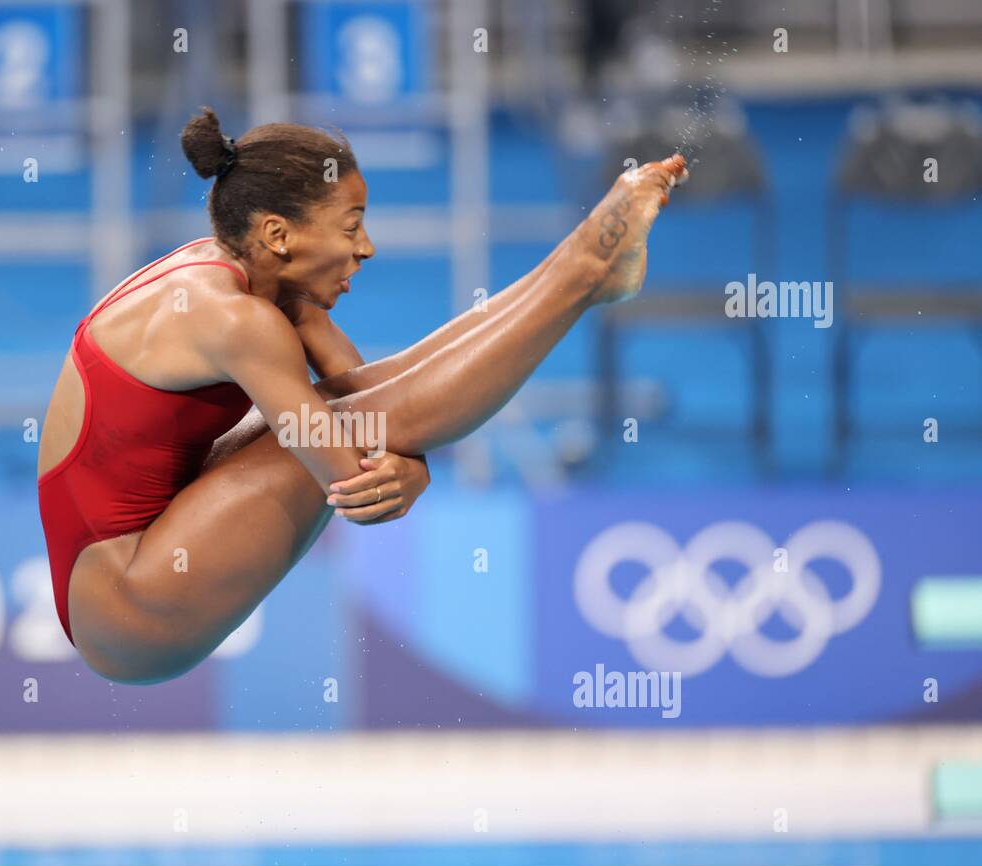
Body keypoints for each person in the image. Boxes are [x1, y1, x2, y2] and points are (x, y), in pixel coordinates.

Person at [37, 106, 687, 684]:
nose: (366, 248)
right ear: (278, 234)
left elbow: (366, 388)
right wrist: (407, 463)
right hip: (127, 610)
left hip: (140, 555)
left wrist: (405, 456)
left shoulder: (247, 271)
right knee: (358, 421)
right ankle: (583, 271)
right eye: (351, 227)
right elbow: (354, 479)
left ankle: (581, 271)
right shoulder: (234, 319)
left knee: (362, 408)